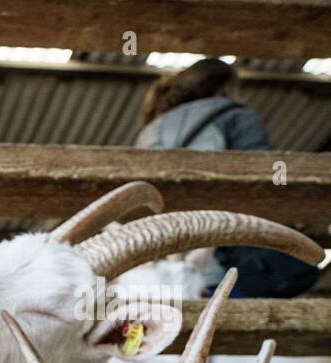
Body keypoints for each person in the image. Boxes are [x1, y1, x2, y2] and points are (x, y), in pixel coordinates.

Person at [136, 57, 320, 298]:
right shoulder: (235, 116)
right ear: (225, 88)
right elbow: (266, 177)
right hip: (225, 262)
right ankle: (222, 294)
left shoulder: (148, 132)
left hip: (168, 268)